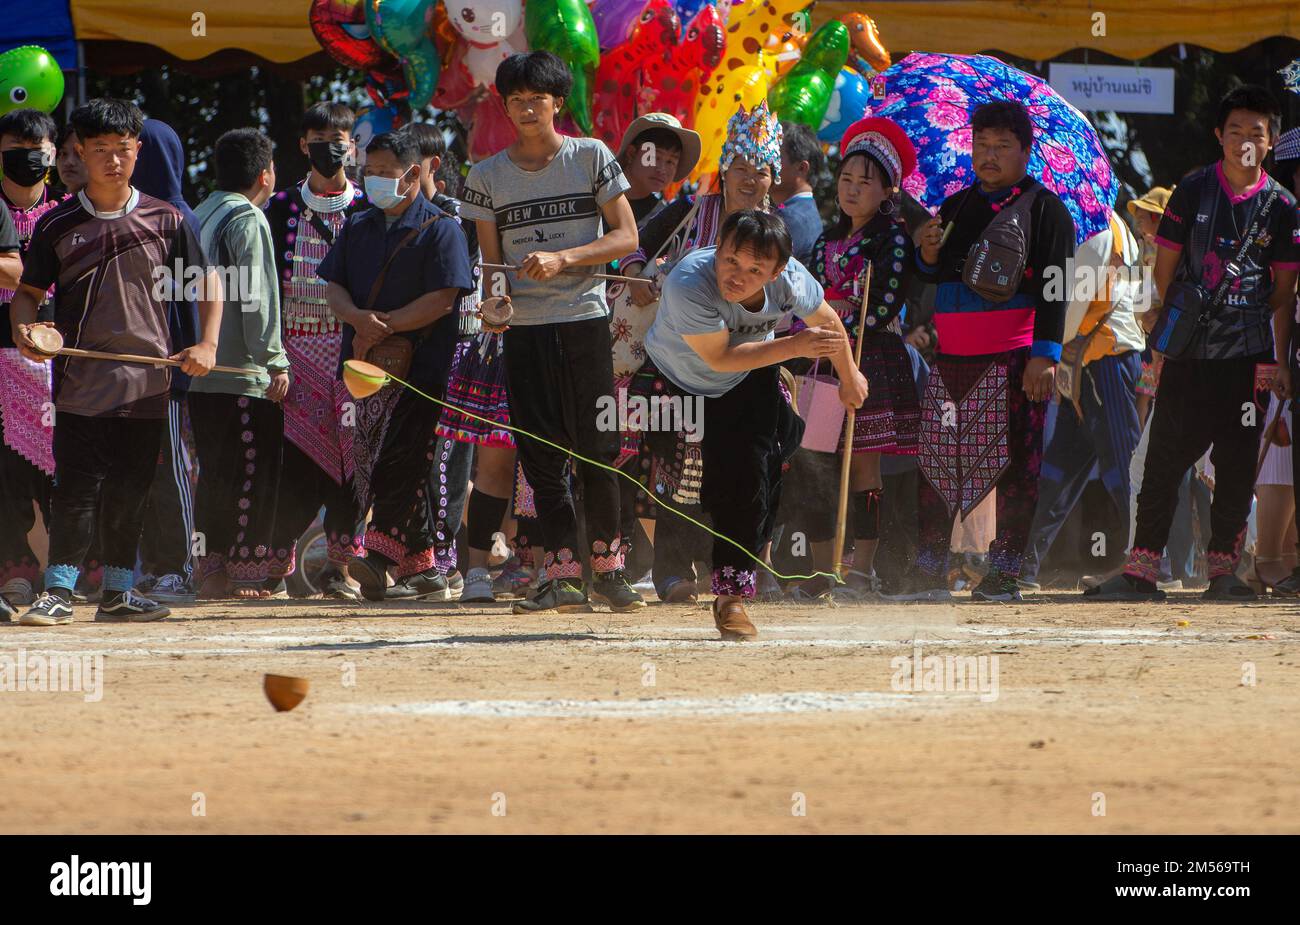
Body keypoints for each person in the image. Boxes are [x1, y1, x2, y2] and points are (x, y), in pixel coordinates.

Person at [10, 98, 221, 626]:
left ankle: (119, 594)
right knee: (77, 487)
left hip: (148, 382)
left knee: (132, 487)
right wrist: (27, 331)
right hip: (80, 383)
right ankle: (58, 591)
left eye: (122, 150)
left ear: (138, 151)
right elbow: (28, 293)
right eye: (99, 149)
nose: (111, 161)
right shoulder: (58, 224)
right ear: (78, 150)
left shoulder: (167, 218)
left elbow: (209, 283)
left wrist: (208, 345)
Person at [1086, 85, 1300, 602]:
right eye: (1235, 131)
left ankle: (1223, 574)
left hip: (1248, 361)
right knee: (1162, 459)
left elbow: (1284, 292)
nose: (1245, 141)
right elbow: (1165, 272)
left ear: (1270, 142)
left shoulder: (1283, 207)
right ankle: (1141, 570)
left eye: (1257, 133)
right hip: (1187, 354)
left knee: (1235, 463)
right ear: (1218, 136)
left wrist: (1275, 358)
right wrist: (1178, 327)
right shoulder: (1192, 190)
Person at [460, 51, 644, 614]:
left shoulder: (591, 156)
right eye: (515, 99)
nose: (526, 107)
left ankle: (609, 574)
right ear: (506, 106)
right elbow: (493, 269)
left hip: (586, 322)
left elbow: (627, 238)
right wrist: (493, 305)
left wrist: (563, 258)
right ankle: (560, 575)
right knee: (540, 457)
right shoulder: (485, 175)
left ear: (557, 102)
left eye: (537, 97)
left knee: (596, 450)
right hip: (524, 332)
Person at [644, 209, 867, 639]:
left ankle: (730, 597)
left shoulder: (791, 279)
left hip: (751, 371)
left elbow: (828, 323)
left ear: (777, 271)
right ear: (718, 250)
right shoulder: (689, 282)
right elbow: (719, 357)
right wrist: (793, 344)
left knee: (754, 477)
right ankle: (683, 574)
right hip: (681, 376)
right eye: (730, 261)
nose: (737, 275)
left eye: (754, 269)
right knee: (691, 483)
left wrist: (849, 375)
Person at [905, 100, 1076, 602]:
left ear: (1026, 150)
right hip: (952, 361)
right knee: (936, 461)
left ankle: (1004, 572)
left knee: (1016, 466)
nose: (989, 155)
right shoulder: (955, 207)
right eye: (981, 144)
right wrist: (927, 253)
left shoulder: (1046, 210)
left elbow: (1055, 287)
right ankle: (930, 565)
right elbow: (933, 278)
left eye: (1002, 146)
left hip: (1015, 360)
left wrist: (1045, 356)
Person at [621, 99, 787, 603]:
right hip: (683, 361)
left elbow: (796, 293)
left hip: (750, 362)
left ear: (772, 177)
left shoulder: (779, 232)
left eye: (760, 171)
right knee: (678, 461)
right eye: (740, 168)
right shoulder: (691, 209)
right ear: (724, 170)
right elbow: (633, 245)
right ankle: (673, 571)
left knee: (747, 467)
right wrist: (636, 277)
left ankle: (743, 568)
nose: (749, 179)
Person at [321, 131, 474, 601]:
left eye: (386, 174)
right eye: (370, 172)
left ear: (413, 174)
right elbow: (333, 286)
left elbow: (445, 299)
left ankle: (381, 555)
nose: (375, 181)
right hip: (365, 368)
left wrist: (382, 326)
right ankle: (425, 568)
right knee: (376, 462)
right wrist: (356, 320)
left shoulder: (441, 228)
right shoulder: (359, 226)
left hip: (423, 370)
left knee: (403, 458)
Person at [793, 116, 921, 600]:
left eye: (865, 182)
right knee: (817, 462)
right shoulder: (825, 240)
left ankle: (862, 569)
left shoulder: (893, 239)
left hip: (873, 361)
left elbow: (885, 304)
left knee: (864, 468)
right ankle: (823, 570)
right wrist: (829, 312)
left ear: (888, 190)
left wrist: (837, 313)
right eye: (846, 179)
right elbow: (806, 295)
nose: (852, 189)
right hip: (823, 365)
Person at [264, 102, 369, 598]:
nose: (332, 145)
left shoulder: (370, 208)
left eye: (340, 136)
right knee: (297, 459)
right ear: (303, 145)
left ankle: (339, 569)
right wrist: (270, 355)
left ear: (353, 145)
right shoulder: (279, 208)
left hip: (357, 353)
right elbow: (262, 288)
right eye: (321, 136)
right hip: (293, 353)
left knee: (354, 460)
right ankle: (277, 565)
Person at [1017, 208, 1145, 590]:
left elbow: (1068, 316)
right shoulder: (1118, 228)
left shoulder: (1095, 234)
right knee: (1061, 469)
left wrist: (1043, 351)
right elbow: (1143, 296)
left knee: (1121, 467)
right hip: (1092, 363)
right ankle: (1024, 565)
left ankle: (1145, 563)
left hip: (1104, 362)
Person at [191, 128, 290, 598]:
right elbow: (257, 296)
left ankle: (209, 571)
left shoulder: (197, 214)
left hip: (200, 374)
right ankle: (244, 575)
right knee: (253, 473)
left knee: (213, 475)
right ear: (265, 175)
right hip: (242, 374)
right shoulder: (247, 217)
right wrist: (274, 360)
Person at [404, 121, 487, 600]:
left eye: (405, 166)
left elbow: (451, 288)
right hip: (417, 349)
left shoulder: (454, 217)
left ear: (432, 166)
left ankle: (444, 562)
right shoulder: (396, 214)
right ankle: (423, 559)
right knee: (422, 456)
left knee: (448, 458)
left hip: (459, 348)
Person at [130, 118, 206, 604]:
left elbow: (193, 294)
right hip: (129, 367)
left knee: (170, 469)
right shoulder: (134, 215)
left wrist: (185, 357)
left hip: (166, 367)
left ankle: (178, 567)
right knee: (139, 470)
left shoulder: (177, 218)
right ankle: (153, 566)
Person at [0, 108, 62, 618]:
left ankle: (68, 573)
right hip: (0, 360)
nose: (29, 158)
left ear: (56, 155)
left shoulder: (67, 213)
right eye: (16, 148)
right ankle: (15, 572)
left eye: (38, 148)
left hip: (60, 363)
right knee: (6, 471)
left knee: (66, 467)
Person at [771, 120, 824, 265]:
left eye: (774, 156)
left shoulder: (790, 218)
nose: (765, 163)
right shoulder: (800, 211)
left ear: (801, 168)